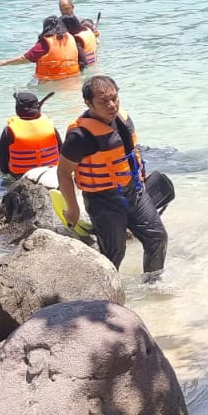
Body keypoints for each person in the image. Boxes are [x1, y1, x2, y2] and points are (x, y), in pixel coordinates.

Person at [56, 76, 168, 276]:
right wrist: (72, 208)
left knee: (157, 238)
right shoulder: (80, 137)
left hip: (134, 192)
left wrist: (141, 175)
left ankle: (153, 286)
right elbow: (63, 172)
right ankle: (104, 299)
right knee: (113, 254)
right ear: (89, 103)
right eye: (103, 102)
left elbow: (130, 153)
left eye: (115, 98)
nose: (112, 105)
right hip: (102, 200)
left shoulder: (123, 120)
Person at [0, 16, 82, 81]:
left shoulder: (46, 42)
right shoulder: (70, 38)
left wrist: (5, 62)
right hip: (73, 78)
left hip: (52, 81)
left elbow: (25, 58)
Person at [0, 91, 61, 178]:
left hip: (21, 176)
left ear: (18, 109)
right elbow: (61, 152)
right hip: (50, 173)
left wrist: (5, 174)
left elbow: (3, 163)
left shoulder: (9, 131)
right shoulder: (50, 126)